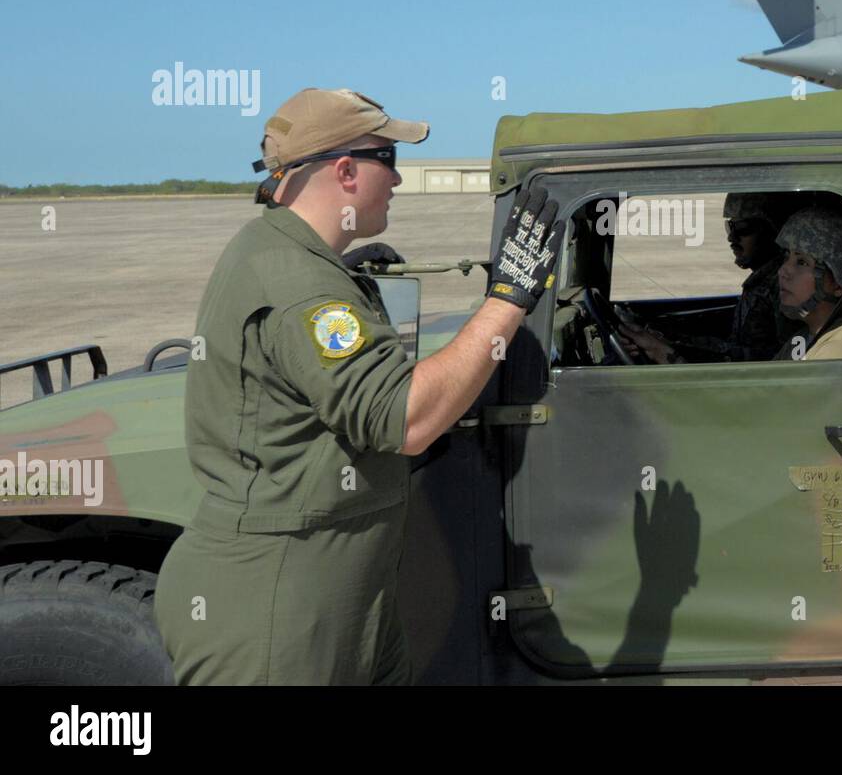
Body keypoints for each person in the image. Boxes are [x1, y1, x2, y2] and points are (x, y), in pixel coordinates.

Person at [153, 87, 562, 685]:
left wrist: (349, 278)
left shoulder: (290, 256)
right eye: (388, 161)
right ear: (344, 171)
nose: (397, 180)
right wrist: (509, 297)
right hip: (280, 612)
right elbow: (411, 419)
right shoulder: (301, 285)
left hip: (339, 601)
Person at [615, 192, 793, 364]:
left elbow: (775, 361)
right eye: (730, 227)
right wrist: (666, 339)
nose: (732, 237)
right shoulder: (761, 281)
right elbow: (734, 347)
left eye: (743, 228)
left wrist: (668, 351)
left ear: (773, 231)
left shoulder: (785, 285)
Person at [770, 205, 842, 361]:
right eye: (786, 257)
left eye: (801, 262)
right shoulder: (800, 341)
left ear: (838, 284)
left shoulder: (838, 350)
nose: (783, 271)